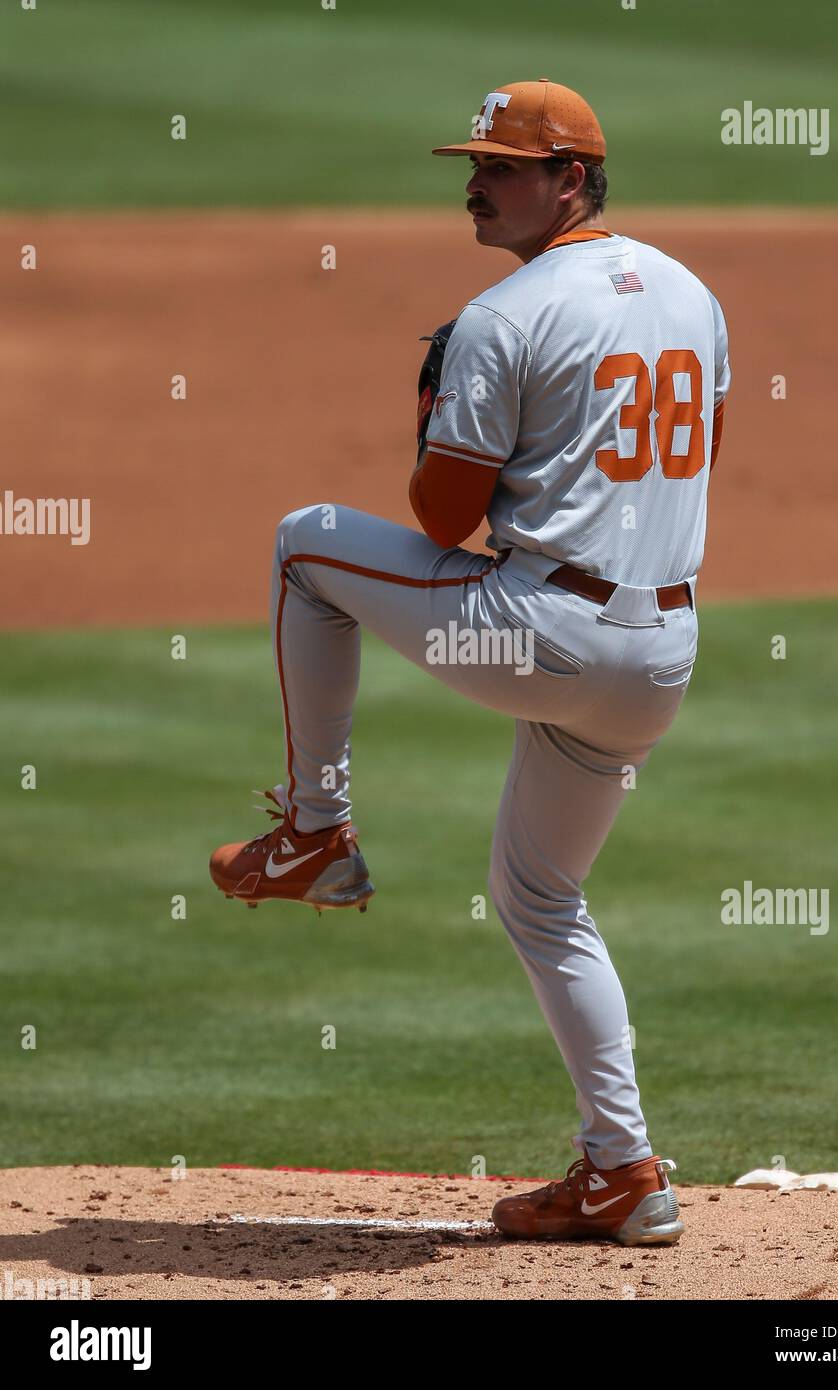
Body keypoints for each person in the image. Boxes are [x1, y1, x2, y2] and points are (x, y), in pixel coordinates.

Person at [210, 79, 730, 1246]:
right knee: (541, 898)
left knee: (304, 548)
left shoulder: (507, 316)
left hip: (536, 628)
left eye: (501, 167)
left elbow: (442, 522)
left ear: (572, 182)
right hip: (661, 658)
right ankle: (623, 1170)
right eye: (477, 162)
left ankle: (314, 829)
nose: (474, 183)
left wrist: (439, 412)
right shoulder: (694, 295)